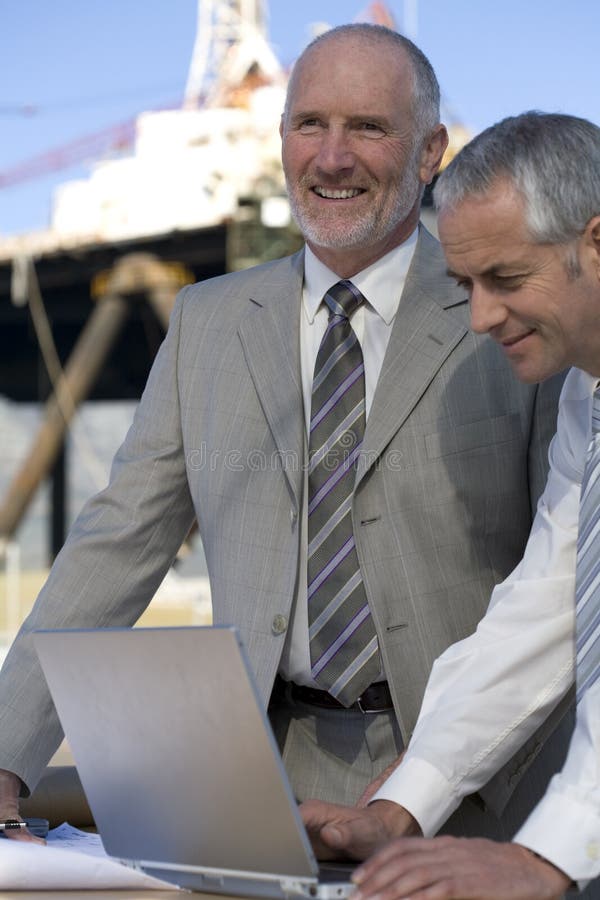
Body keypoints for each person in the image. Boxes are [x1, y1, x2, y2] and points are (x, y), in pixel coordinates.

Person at [0, 26, 566, 846]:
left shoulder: (508, 314)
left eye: (368, 127)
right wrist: (9, 753)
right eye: (309, 124)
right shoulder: (206, 323)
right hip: (264, 785)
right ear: (282, 137)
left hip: (487, 791)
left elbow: (562, 576)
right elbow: (116, 544)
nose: (332, 158)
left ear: (430, 152)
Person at [302, 112, 600, 897]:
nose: (481, 319)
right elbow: (544, 610)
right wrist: (404, 803)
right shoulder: (586, 397)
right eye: (467, 286)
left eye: (506, 279)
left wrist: (549, 855)